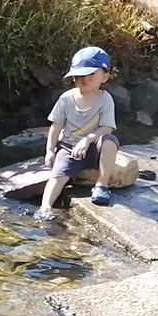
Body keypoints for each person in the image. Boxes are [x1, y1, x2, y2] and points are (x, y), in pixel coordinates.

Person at [34, 46, 119, 221]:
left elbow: (106, 128)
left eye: (90, 75)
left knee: (110, 141)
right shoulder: (66, 98)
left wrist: (87, 140)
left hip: (94, 147)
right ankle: (45, 207)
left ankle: (101, 185)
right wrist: (50, 151)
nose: (83, 79)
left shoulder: (105, 99)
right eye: (79, 75)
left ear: (105, 76)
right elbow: (56, 127)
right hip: (69, 147)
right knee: (58, 175)